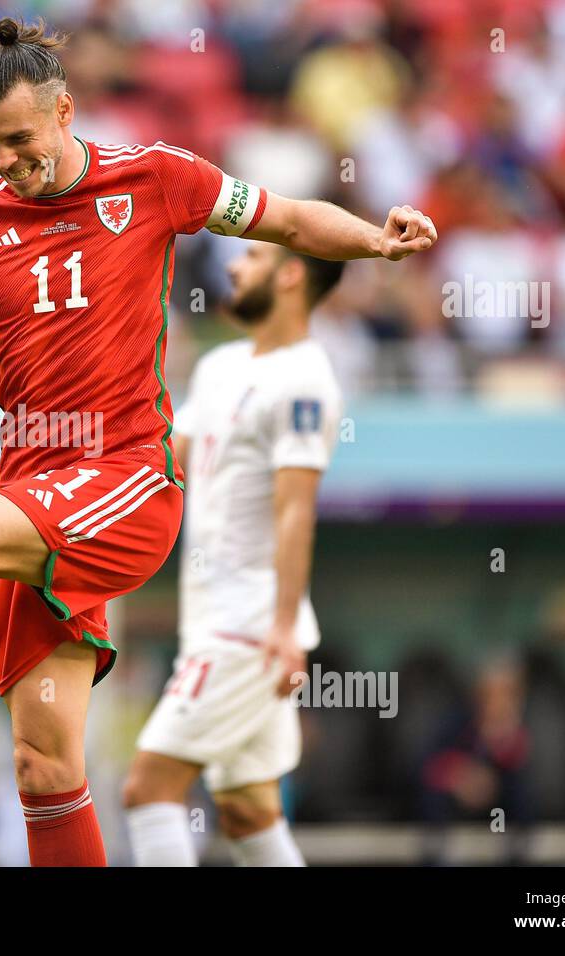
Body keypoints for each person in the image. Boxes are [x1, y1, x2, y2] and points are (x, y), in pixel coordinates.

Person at [0, 15, 436, 865]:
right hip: (34, 497)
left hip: (125, 480)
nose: (4, 160)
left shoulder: (155, 178)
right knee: (45, 768)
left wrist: (376, 239)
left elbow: (291, 220)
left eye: (17, 140)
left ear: (65, 110)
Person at [123, 244, 346, 866]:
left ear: (293, 272)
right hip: (215, 624)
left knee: (147, 790)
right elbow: (169, 461)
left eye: (251, 254)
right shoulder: (221, 365)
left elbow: (295, 508)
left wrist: (281, 626)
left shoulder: (307, 381)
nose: (233, 266)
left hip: (247, 632)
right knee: (249, 810)